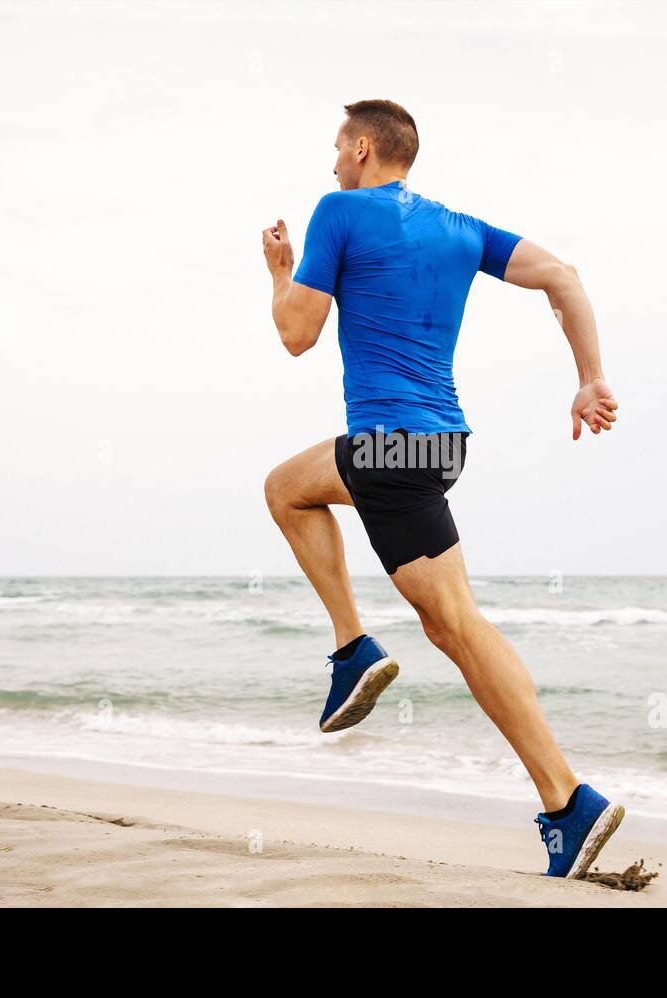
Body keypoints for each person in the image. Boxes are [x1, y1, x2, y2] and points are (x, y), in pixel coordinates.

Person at [260, 99, 622, 878]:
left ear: (363, 148)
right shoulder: (460, 228)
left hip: (388, 446)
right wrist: (589, 378)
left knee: (452, 622)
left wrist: (282, 274)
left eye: (335, 148)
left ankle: (562, 795)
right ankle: (562, 799)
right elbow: (564, 276)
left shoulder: (340, 211)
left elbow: (297, 335)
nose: (329, 164)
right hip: (442, 445)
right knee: (442, 613)